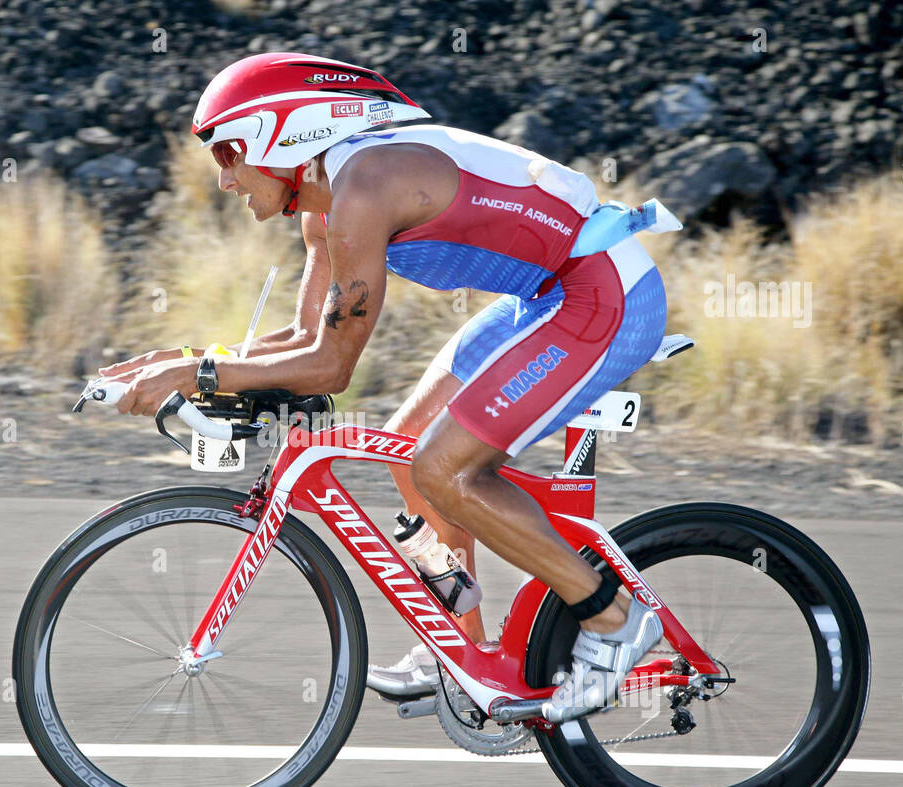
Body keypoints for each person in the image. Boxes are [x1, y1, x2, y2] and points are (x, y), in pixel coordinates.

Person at [99, 52, 671, 723]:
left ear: (284, 136)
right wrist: (181, 360)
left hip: (602, 291)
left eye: (229, 153)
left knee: (444, 467)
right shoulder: (322, 206)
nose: (224, 179)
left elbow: (329, 368)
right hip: (547, 293)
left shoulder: (364, 192)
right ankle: (459, 644)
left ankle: (612, 620)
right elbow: (303, 335)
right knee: (407, 456)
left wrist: (195, 373)